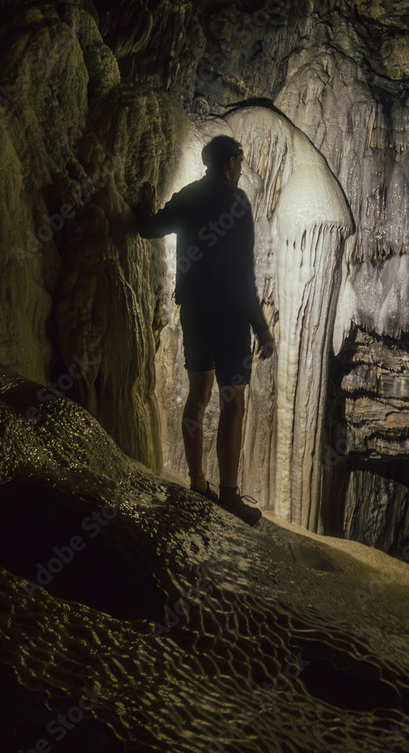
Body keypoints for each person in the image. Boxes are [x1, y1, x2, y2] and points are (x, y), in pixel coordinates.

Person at [135, 135, 275, 526]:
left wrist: (145, 208)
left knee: (198, 394)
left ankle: (198, 481)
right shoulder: (238, 203)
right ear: (230, 162)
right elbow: (244, 274)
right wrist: (261, 328)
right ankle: (229, 495)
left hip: (195, 312)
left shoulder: (187, 197)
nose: (242, 168)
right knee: (233, 401)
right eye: (241, 162)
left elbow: (148, 229)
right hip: (231, 316)